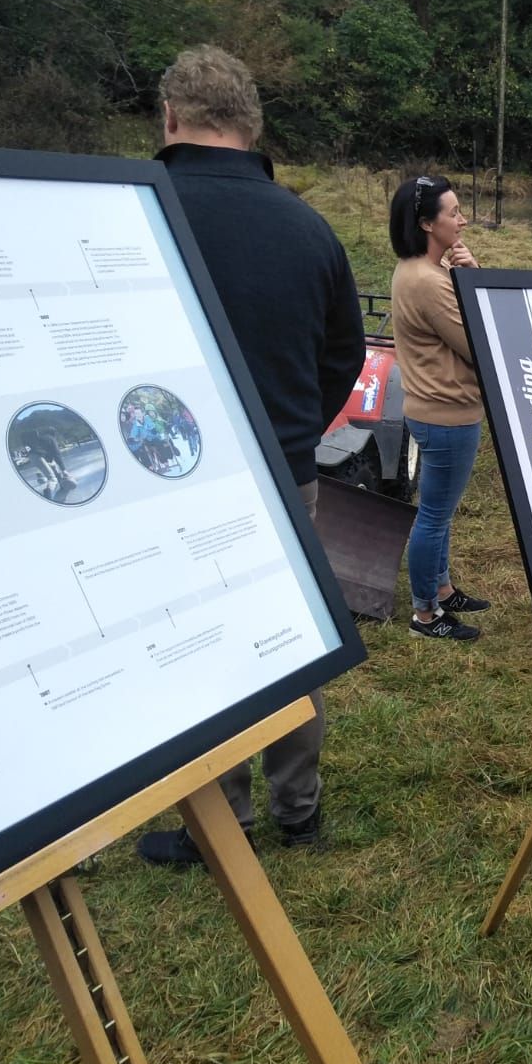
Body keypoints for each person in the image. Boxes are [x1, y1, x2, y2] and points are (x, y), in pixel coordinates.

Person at [136, 45, 365, 866]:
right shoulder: (308, 227)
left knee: (198, 643)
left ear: (170, 118)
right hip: (285, 472)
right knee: (287, 635)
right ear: (252, 126)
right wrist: (294, 428)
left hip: (163, 486)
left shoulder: (139, 214)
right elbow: (343, 356)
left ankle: (218, 818)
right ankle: (298, 810)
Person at [389, 174, 492, 640]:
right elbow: (479, 342)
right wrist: (468, 279)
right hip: (447, 413)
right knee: (433, 515)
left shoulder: (417, 269)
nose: (462, 219)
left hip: (432, 409)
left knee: (439, 510)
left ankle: (443, 589)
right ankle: (426, 615)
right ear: (428, 223)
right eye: (453, 213)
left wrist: (462, 274)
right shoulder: (429, 282)